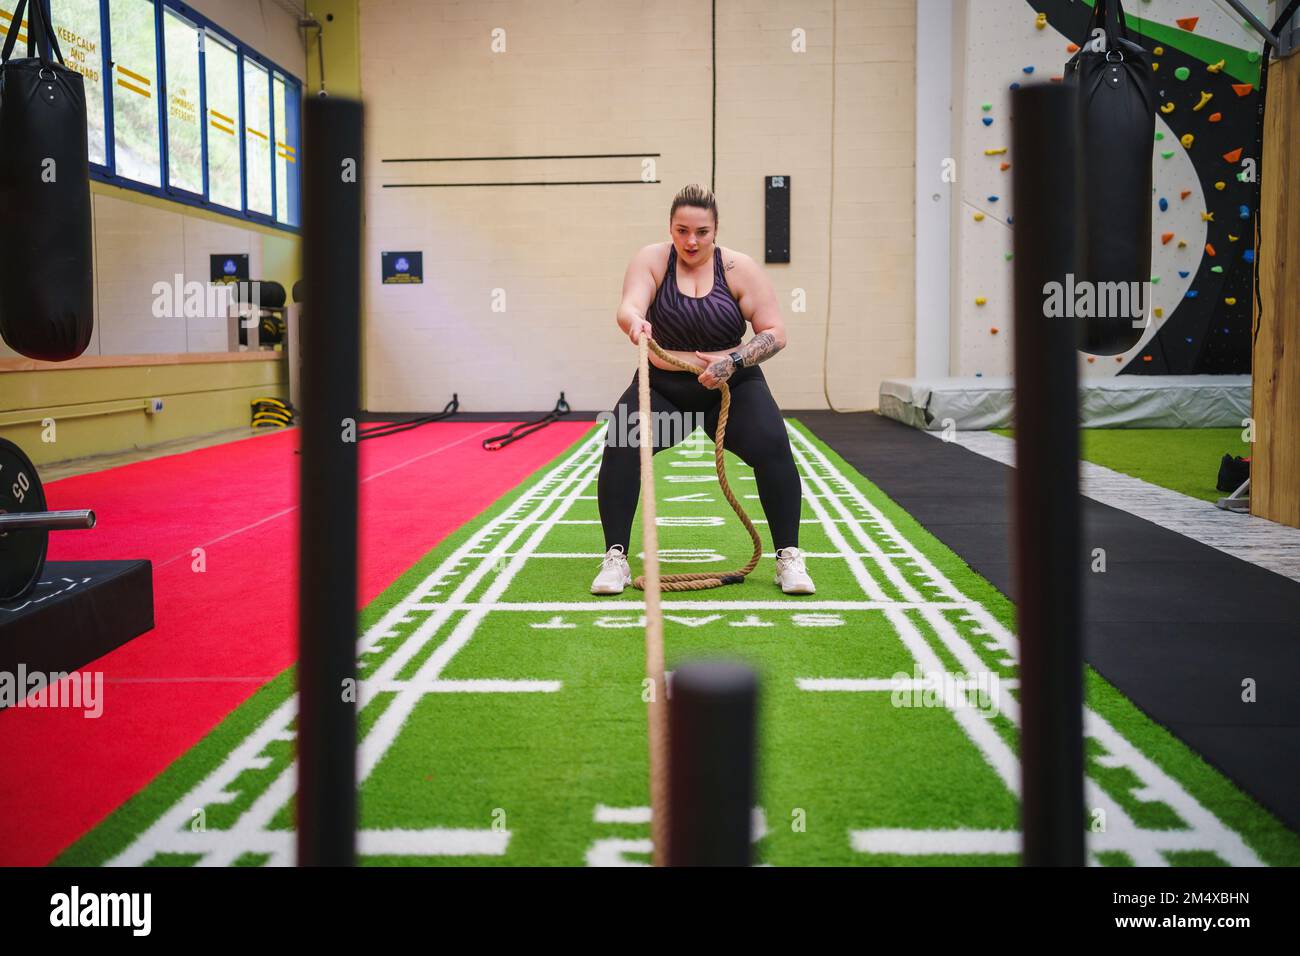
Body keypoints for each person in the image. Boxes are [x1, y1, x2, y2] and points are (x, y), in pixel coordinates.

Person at [591, 183, 814, 596]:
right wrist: (634, 323)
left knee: (773, 447)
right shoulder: (652, 260)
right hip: (665, 388)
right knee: (620, 441)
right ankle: (615, 558)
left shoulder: (740, 268)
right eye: (681, 230)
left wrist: (734, 362)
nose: (691, 241)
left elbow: (775, 333)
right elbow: (629, 306)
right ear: (671, 228)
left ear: (715, 230)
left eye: (701, 232)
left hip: (734, 384)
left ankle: (788, 557)